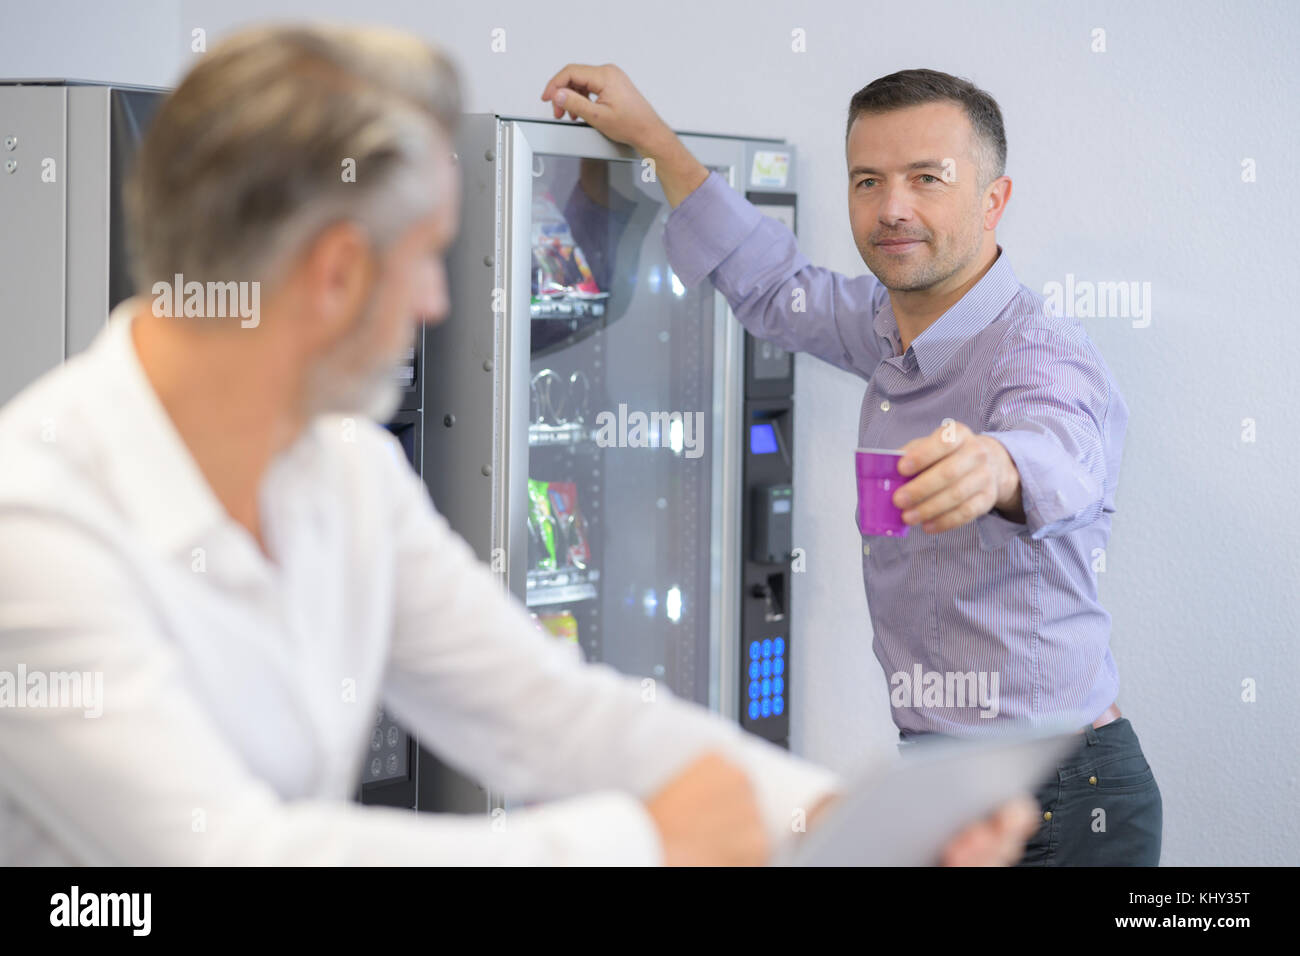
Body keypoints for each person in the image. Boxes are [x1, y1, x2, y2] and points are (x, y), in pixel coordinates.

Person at [0, 25, 1035, 866]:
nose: (440, 300)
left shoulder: (344, 471)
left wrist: (833, 813)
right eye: (424, 259)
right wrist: (641, 839)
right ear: (329, 273)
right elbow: (230, 851)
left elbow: (541, 705)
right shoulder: (34, 526)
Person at [541, 63, 1161, 866]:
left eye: (927, 179)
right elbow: (774, 284)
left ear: (993, 200)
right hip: (945, 786)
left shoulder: (1041, 353)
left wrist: (994, 466)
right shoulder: (884, 327)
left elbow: (1061, 451)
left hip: (1065, 801)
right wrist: (656, 142)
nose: (892, 208)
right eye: (868, 181)